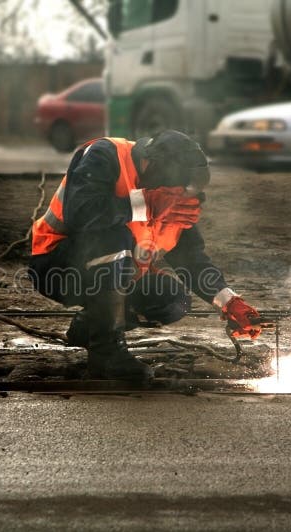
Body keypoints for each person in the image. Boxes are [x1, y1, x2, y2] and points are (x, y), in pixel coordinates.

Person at [29, 130, 261, 381]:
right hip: (56, 266)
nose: (179, 200)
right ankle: (106, 355)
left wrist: (229, 301)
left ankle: (89, 328)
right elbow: (81, 212)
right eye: (175, 192)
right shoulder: (106, 154)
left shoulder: (171, 201)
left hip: (110, 276)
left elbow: (192, 260)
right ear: (154, 168)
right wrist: (144, 203)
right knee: (114, 237)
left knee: (172, 300)